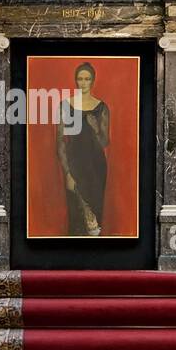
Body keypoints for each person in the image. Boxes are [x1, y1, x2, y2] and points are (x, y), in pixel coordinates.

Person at [56, 62, 110, 236]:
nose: (83, 82)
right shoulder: (65, 105)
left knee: (95, 221)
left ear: (93, 81)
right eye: (80, 78)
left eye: (87, 79)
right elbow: (60, 142)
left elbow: (104, 143)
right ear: (75, 81)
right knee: (76, 217)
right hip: (74, 164)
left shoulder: (101, 107)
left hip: (96, 167)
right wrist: (67, 173)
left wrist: (95, 128)